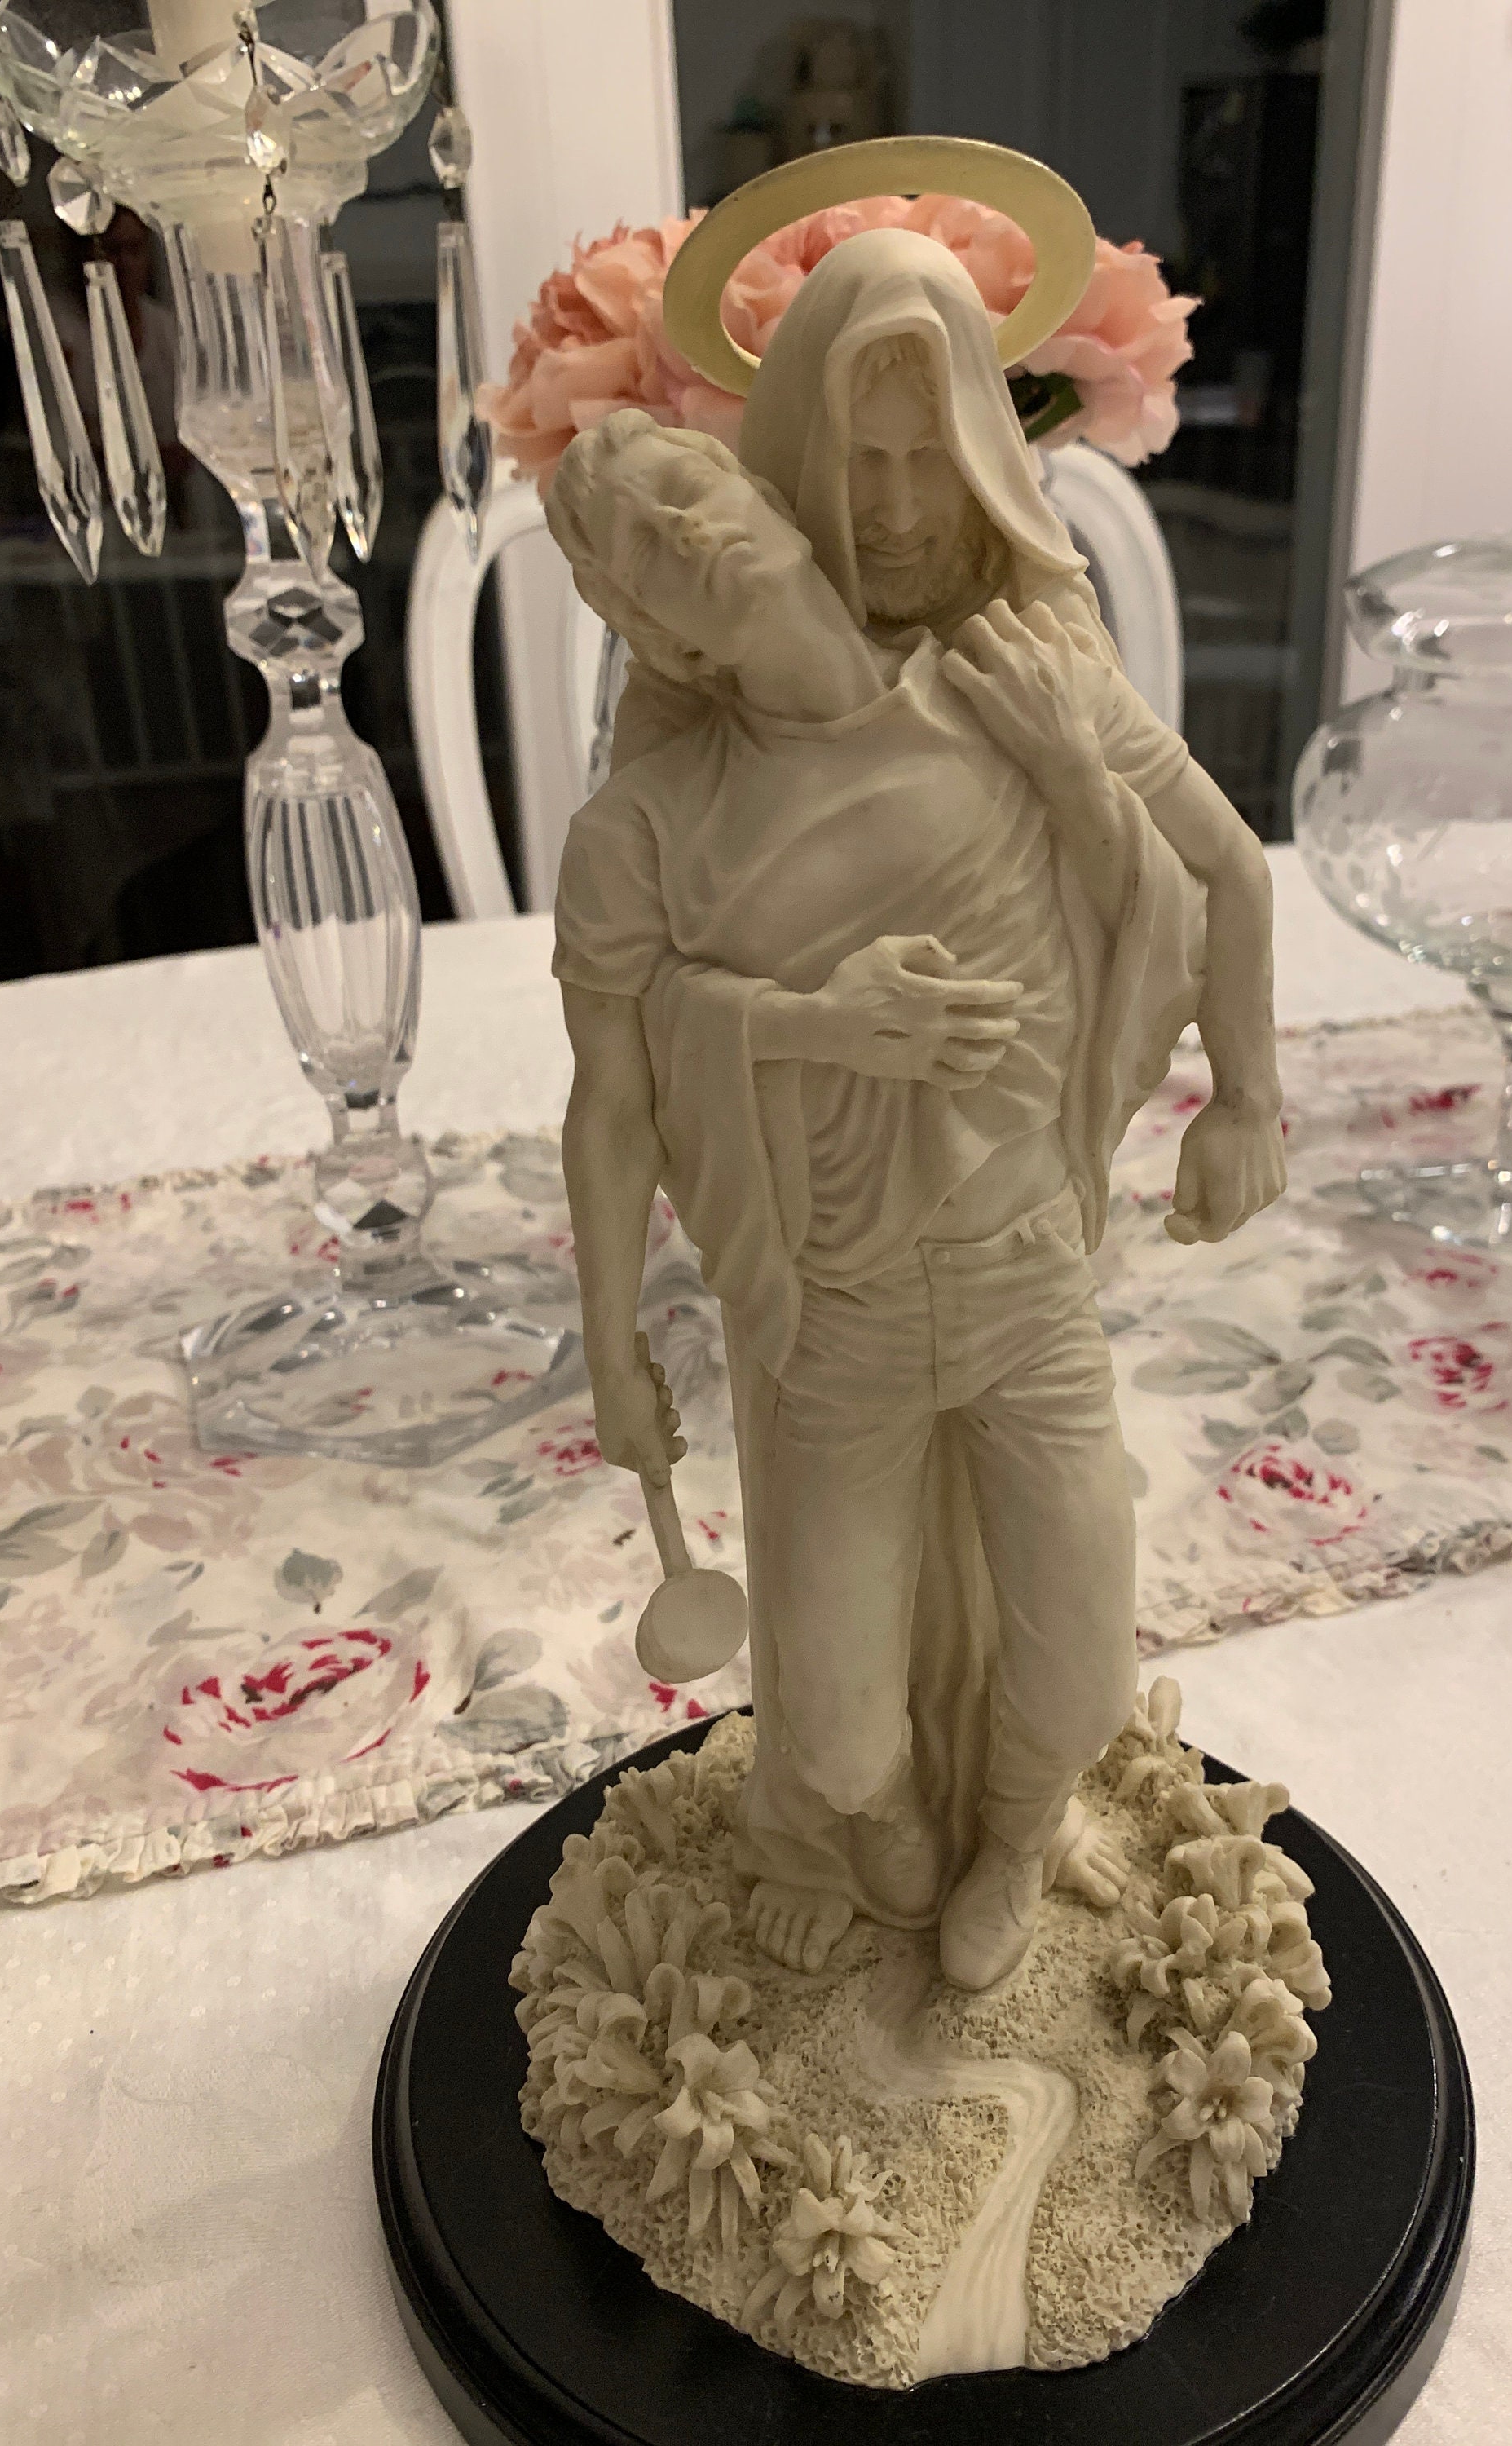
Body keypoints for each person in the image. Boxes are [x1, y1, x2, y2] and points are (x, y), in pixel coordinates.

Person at [550, 395, 1274, 1991]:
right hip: (840, 1323)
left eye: (688, 491)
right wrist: (613, 1341)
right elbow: (612, 1099)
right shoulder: (646, 831)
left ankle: (1011, 1839)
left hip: (1027, 1285)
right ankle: (877, 1829)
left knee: (1084, 1673)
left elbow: (1215, 874)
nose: (684, 535)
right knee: (833, 1730)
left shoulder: (1012, 688)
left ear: (771, 498)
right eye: (640, 551)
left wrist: (1245, 1093)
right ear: (647, 633)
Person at [613, 227, 1285, 1252]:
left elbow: (1225, 866)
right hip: (813, 1226)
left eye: (930, 458)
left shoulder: (1036, 652)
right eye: (861, 460)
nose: (896, 512)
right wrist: (808, 1024)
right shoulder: (711, 676)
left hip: (1014, 1207)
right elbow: (630, 985)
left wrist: (1246, 1099)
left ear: (981, 452)